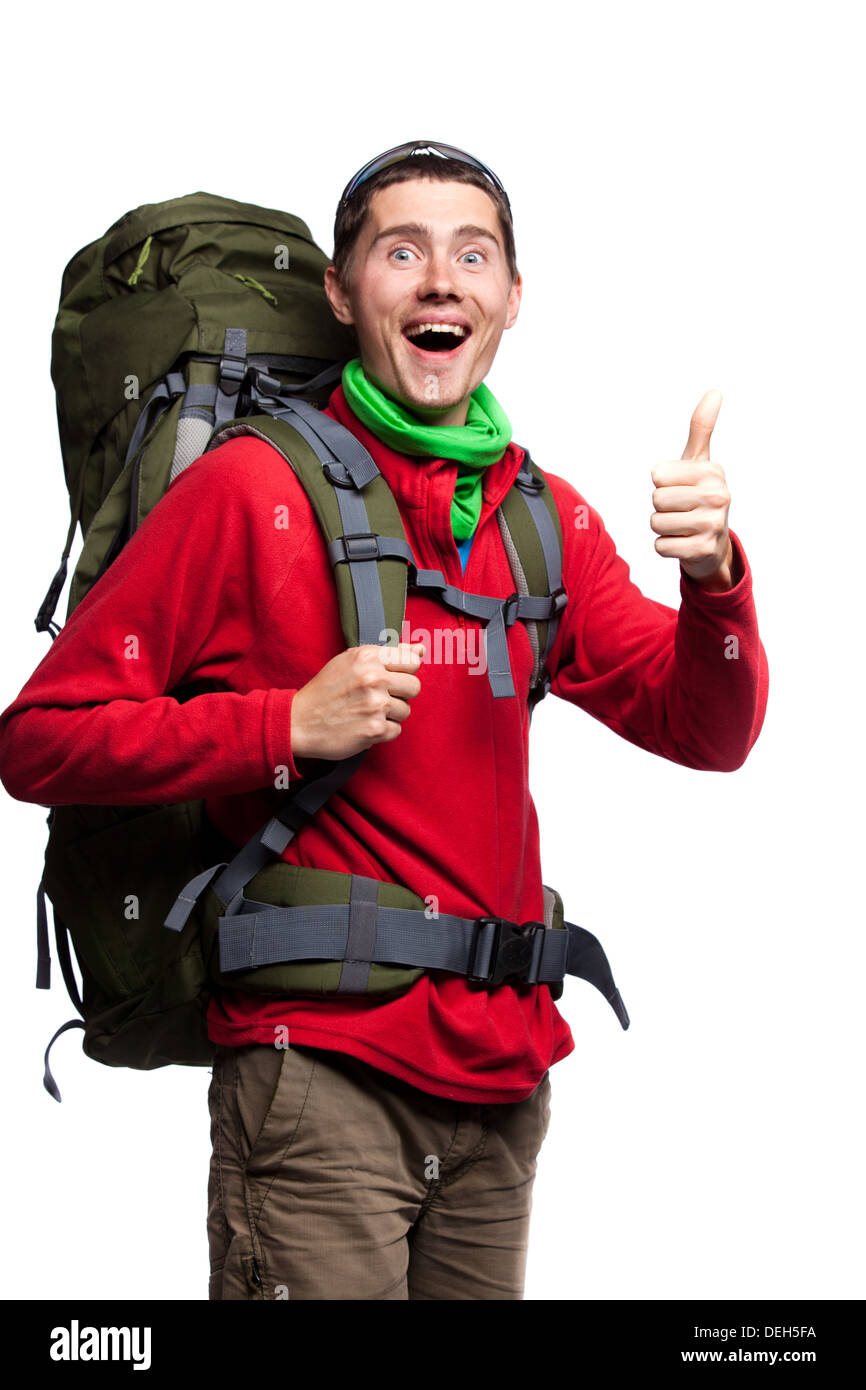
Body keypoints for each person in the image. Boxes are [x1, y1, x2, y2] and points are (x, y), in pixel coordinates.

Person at [0, 140, 769, 1301]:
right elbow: (38, 739)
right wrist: (280, 725)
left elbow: (707, 731)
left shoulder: (541, 519)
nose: (439, 280)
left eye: (472, 253)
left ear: (513, 298)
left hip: (502, 1093)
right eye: (399, 251)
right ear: (343, 290)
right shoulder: (248, 491)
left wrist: (714, 578)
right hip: (316, 1084)